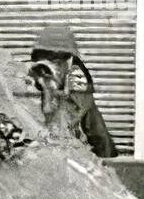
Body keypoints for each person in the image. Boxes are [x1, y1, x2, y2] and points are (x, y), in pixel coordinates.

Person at [29, 24, 118, 158]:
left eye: (56, 61)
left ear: (67, 60)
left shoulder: (78, 87)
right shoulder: (35, 79)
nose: (51, 67)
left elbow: (97, 136)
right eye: (44, 60)